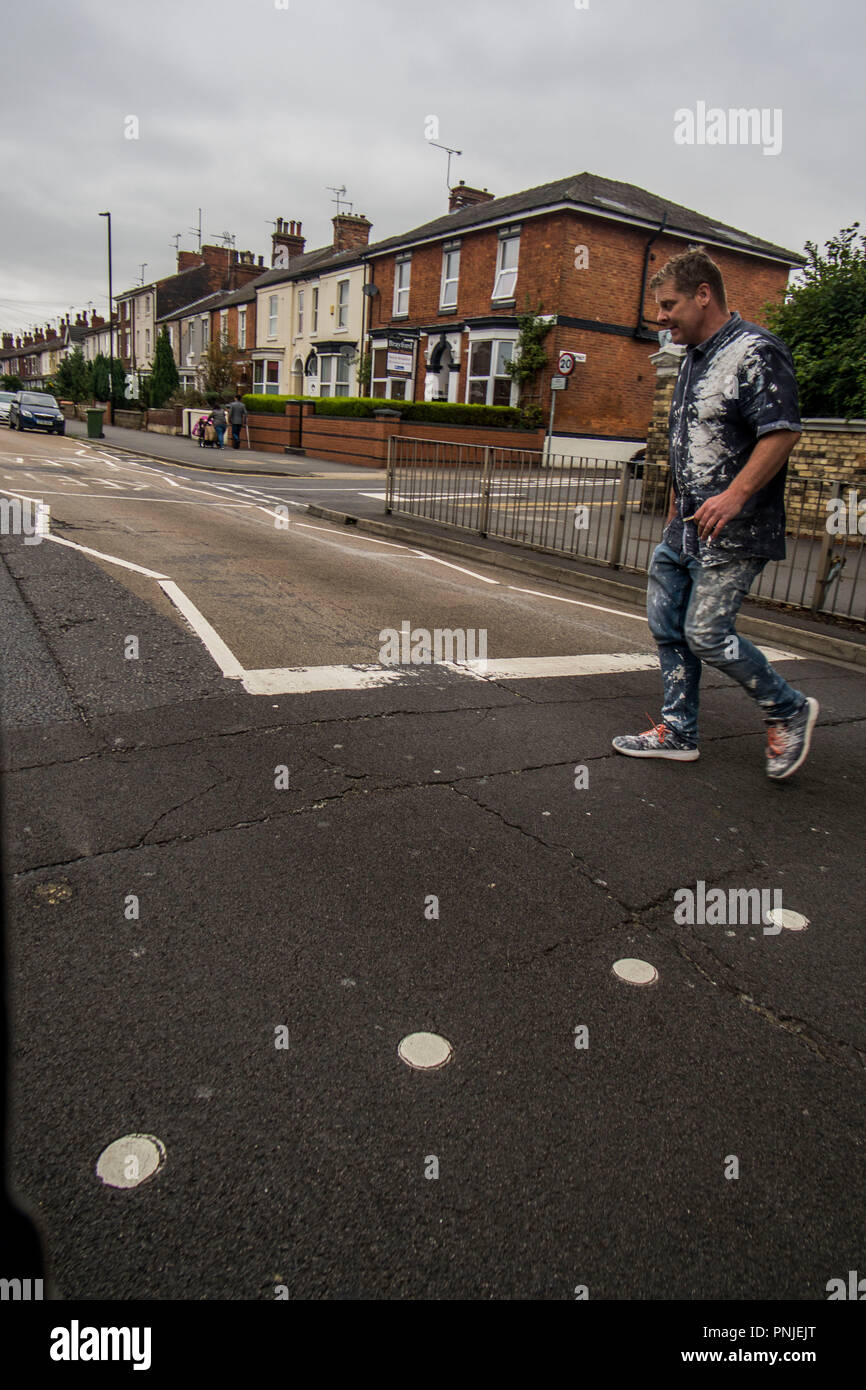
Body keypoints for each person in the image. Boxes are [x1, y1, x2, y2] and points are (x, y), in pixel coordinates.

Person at [612, 246, 818, 781]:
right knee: (668, 628)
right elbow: (697, 440)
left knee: (706, 633)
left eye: (669, 304)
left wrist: (734, 495)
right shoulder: (692, 359)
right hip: (683, 529)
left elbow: (783, 432)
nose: (660, 317)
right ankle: (678, 731)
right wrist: (680, 501)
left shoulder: (756, 350)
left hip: (734, 529)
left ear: (704, 295)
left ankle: (788, 708)